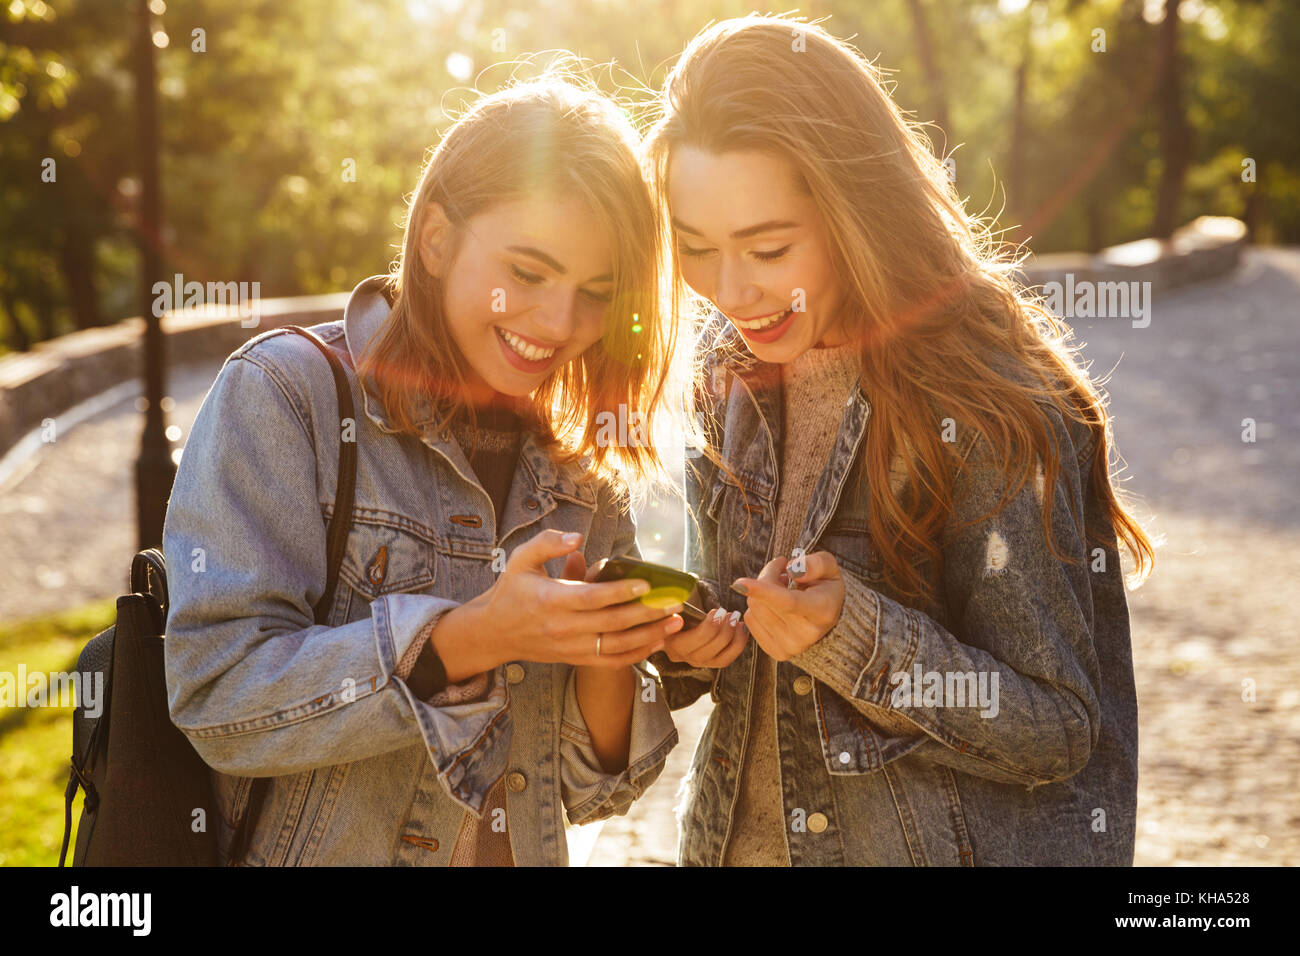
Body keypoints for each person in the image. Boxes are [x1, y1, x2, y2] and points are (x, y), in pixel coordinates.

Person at [642, 15, 1155, 866]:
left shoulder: (986, 399)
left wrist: (854, 635)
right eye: (695, 248)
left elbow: (1056, 728)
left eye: (768, 248)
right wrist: (692, 643)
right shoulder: (722, 373)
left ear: (854, 212)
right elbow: (736, 630)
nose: (730, 289)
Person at [162, 71, 685, 866]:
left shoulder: (580, 472)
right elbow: (215, 695)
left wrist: (610, 647)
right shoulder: (288, 396)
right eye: (529, 273)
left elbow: (584, 793)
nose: (558, 322)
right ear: (435, 238)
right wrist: (466, 639)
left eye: (596, 293)